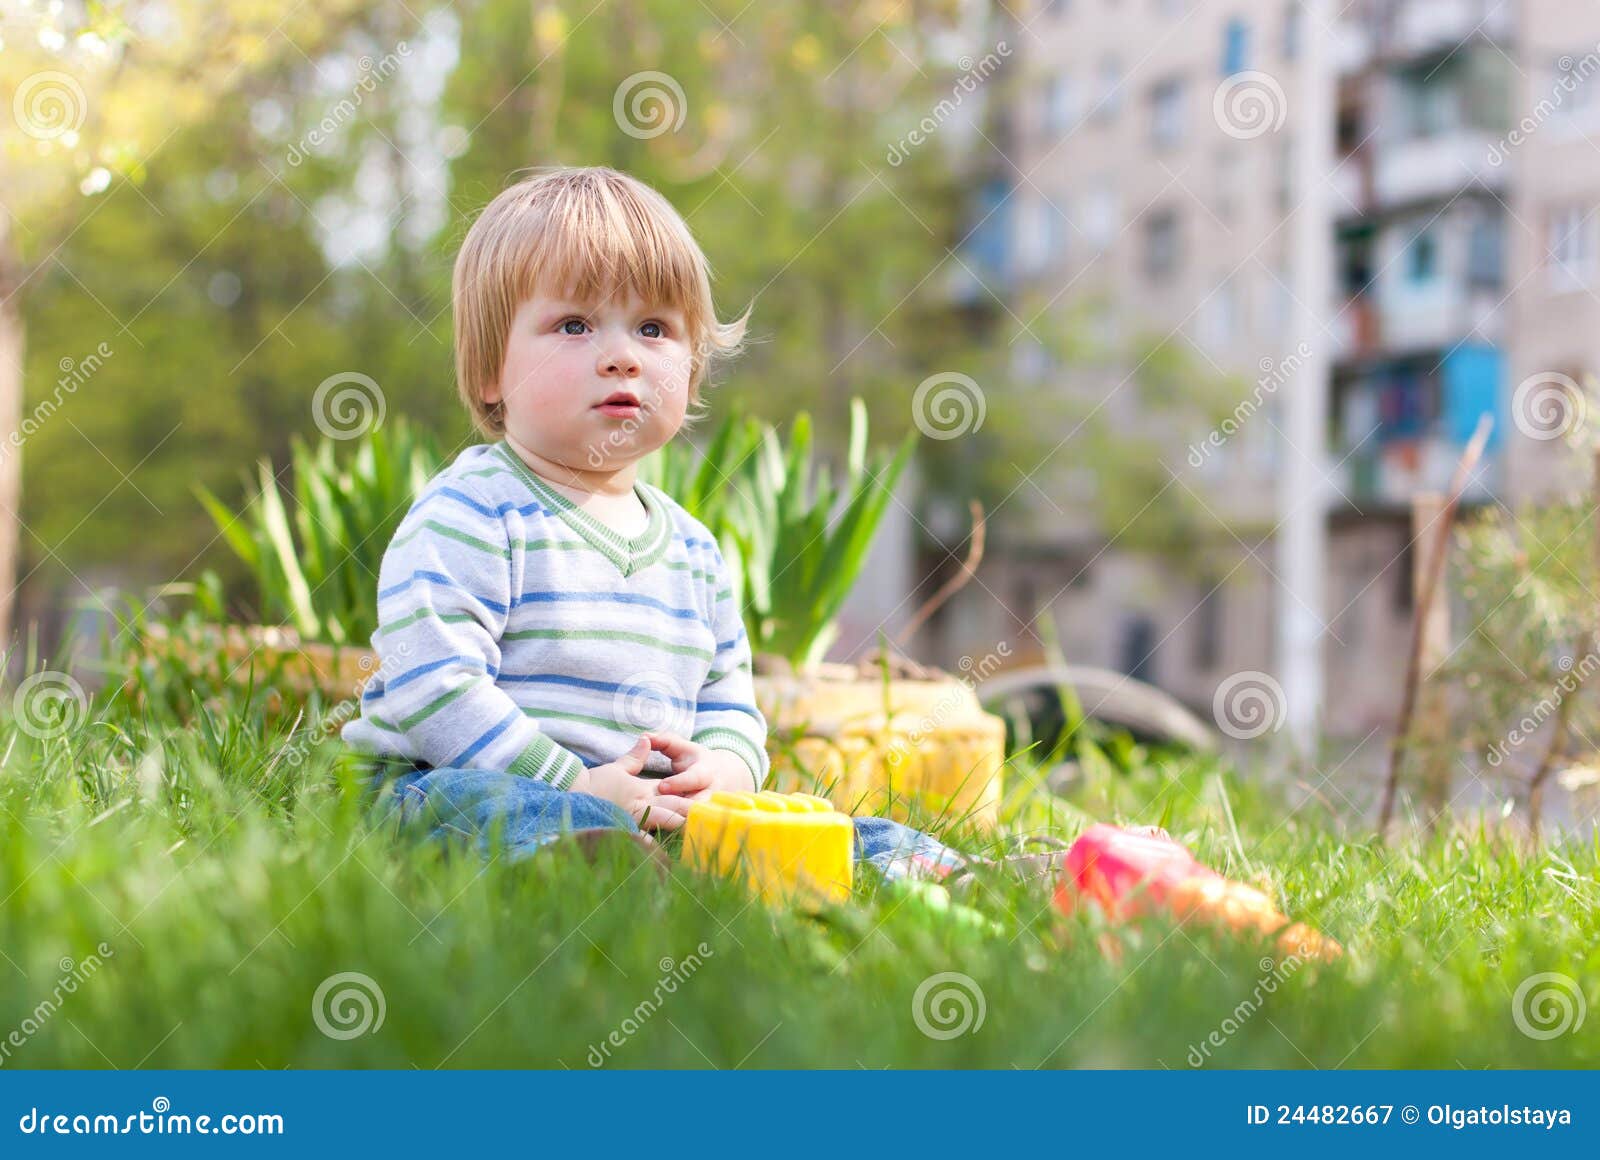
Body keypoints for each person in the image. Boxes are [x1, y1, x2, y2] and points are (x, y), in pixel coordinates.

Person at [342, 166, 972, 883]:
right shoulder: (475, 509)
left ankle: (924, 867)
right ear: (491, 371)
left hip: (641, 804)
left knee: (804, 826)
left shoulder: (693, 551)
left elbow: (728, 696)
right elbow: (436, 685)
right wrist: (574, 786)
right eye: (574, 325)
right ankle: (580, 859)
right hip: (448, 780)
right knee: (478, 804)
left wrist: (725, 769)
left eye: (654, 328)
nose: (623, 355)